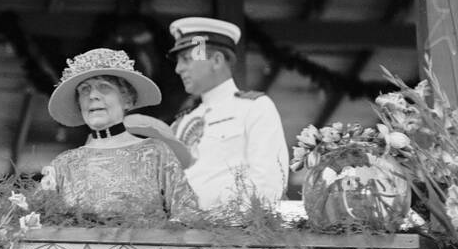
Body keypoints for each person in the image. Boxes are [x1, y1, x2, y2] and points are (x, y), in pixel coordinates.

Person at [42, 48, 197, 219]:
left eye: (104, 87)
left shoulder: (156, 153)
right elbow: (41, 225)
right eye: (84, 89)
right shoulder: (63, 164)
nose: (93, 95)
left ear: (127, 100)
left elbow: (188, 219)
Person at [167, 17, 288, 211]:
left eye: (187, 59)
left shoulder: (254, 108)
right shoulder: (182, 122)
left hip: (233, 235)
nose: (178, 68)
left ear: (216, 61)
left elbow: (268, 183)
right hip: (181, 234)